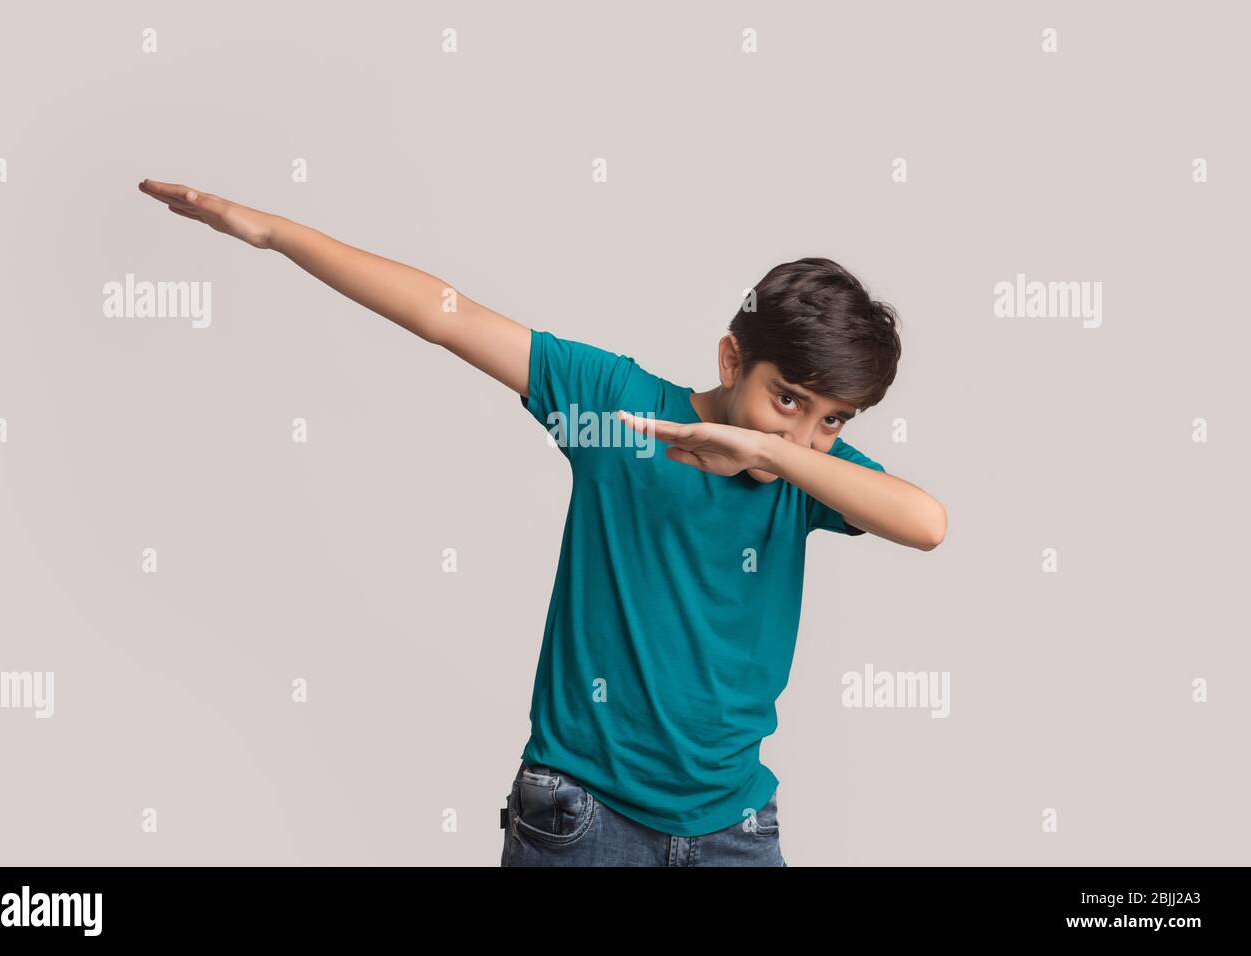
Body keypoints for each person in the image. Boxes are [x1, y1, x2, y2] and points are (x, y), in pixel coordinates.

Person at [138, 179, 948, 866]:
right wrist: (275, 232)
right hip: (582, 817)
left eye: (832, 420)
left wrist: (770, 448)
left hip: (735, 825)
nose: (803, 434)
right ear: (732, 360)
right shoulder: (619, 409)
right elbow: (444, 314)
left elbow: (927, 523)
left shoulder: (808, 479)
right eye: (787, 400)